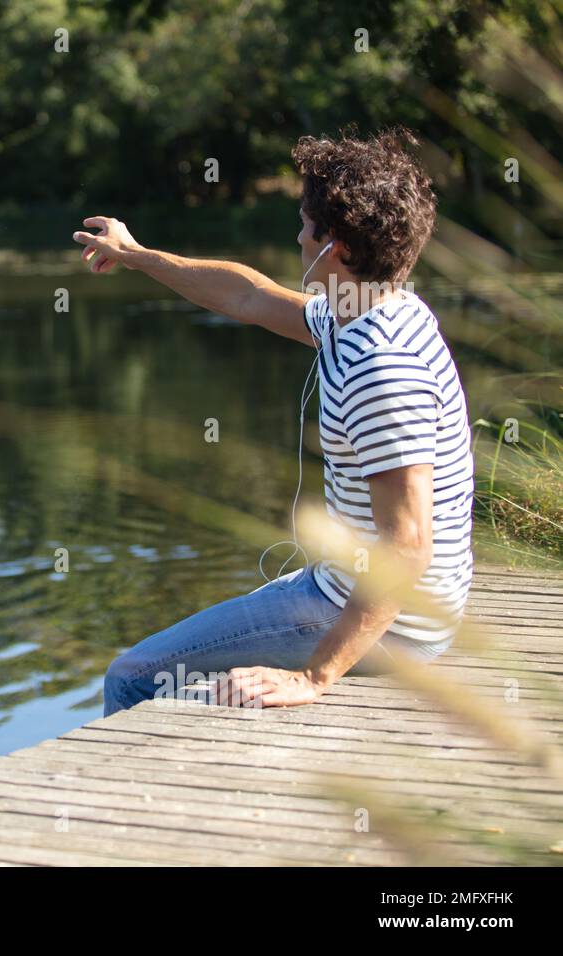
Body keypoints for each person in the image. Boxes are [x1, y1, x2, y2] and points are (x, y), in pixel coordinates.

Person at [72, 128, 475, 714]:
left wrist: (314, 676)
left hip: (396, 626)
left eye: (304, 225)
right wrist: (135, 254)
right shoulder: (369, 308)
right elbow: (247, 296)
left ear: (332, 246)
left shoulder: (381, 367)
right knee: (187, 666)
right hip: (354, 591)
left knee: (133, 676)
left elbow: (407, 545)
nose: (295, 235)